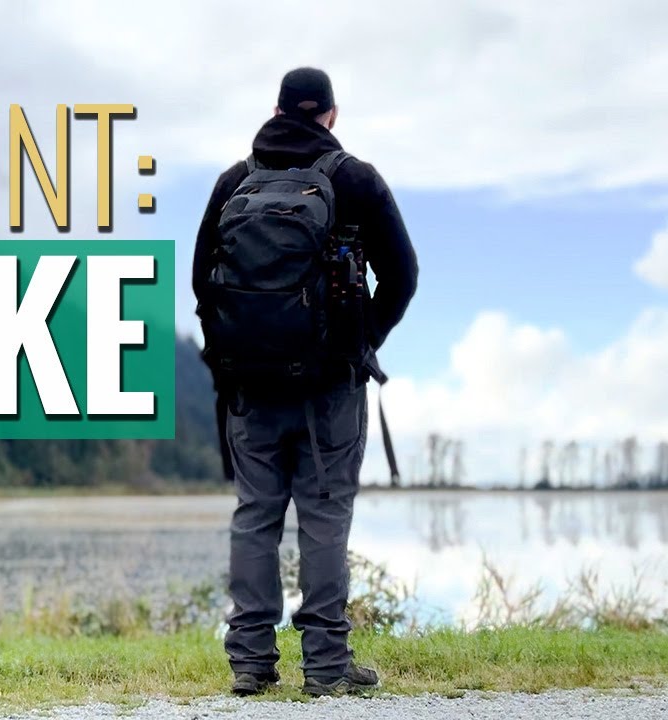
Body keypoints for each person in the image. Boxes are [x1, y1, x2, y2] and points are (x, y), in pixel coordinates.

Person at [192, 67, 418, 697]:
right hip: (329, 387)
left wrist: (234, 354)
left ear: (276, 111)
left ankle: (249, 660)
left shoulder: (233, 182)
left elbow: (203, 283)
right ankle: (326, 665)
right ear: (332, 116)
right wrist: (360, 340)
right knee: (324, 516)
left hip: (250, 387)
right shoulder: (354, 179)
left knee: (255, 515)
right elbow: (402, 275)